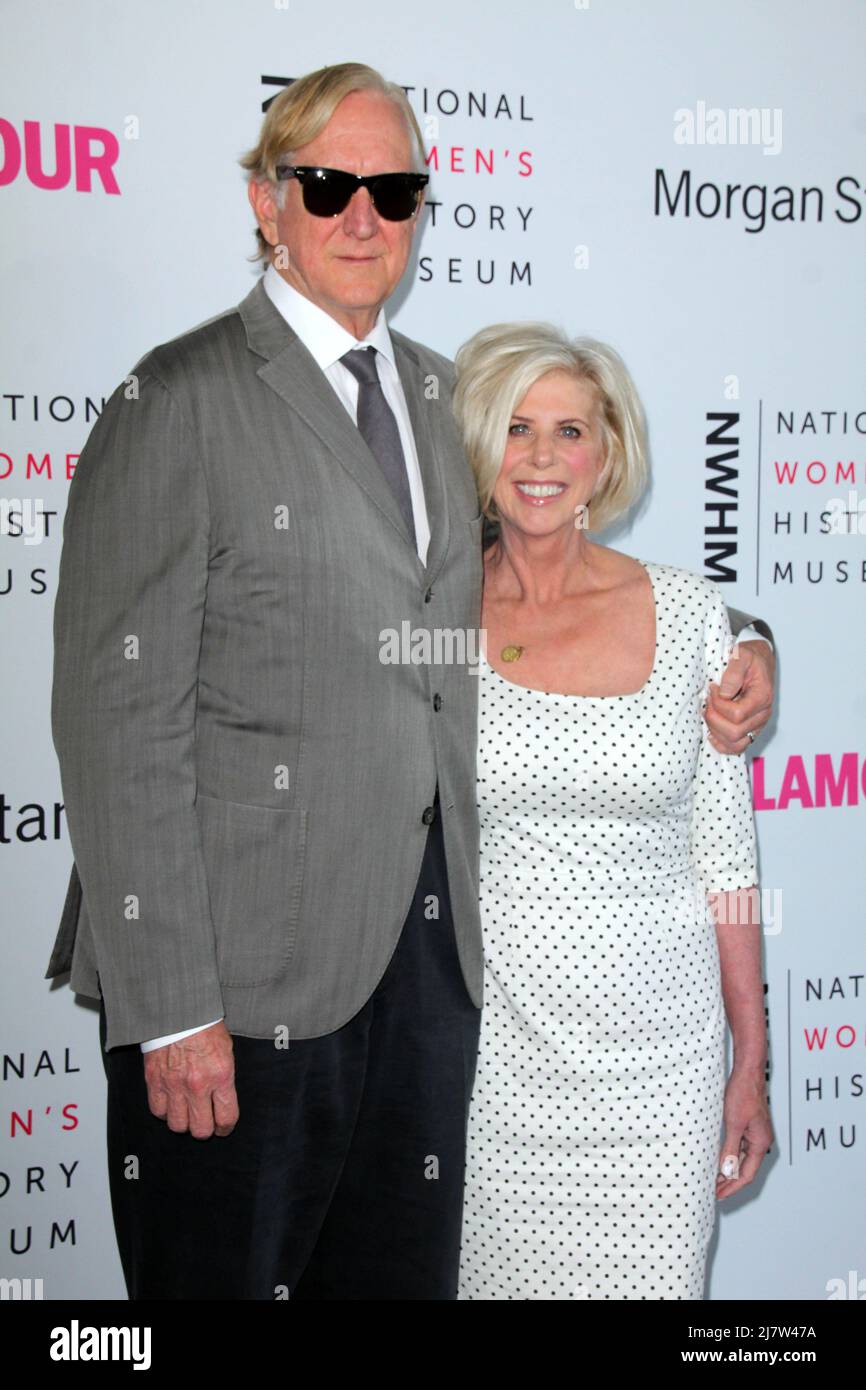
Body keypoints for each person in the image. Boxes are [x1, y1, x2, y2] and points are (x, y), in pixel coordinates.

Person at [44, 63, 776, 1301]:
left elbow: (543, 577)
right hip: (237, 994)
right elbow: (114, 721)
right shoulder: (178, 399)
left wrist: (742, 637)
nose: (361, 215)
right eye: (327, 184)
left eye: (392, 187)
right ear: (265, 201)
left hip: (431, 1001)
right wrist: (169, 1009)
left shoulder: (451, 404)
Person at [451, 323, 774, 1300]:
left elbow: (725, 860)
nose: (541, 458)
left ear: (606, 454)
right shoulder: (433, 618)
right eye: (514, 428)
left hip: (660, 1077)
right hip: (493, 1071)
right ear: (478, 447)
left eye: (568, 431)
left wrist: (749, 1061)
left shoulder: (686, 615)